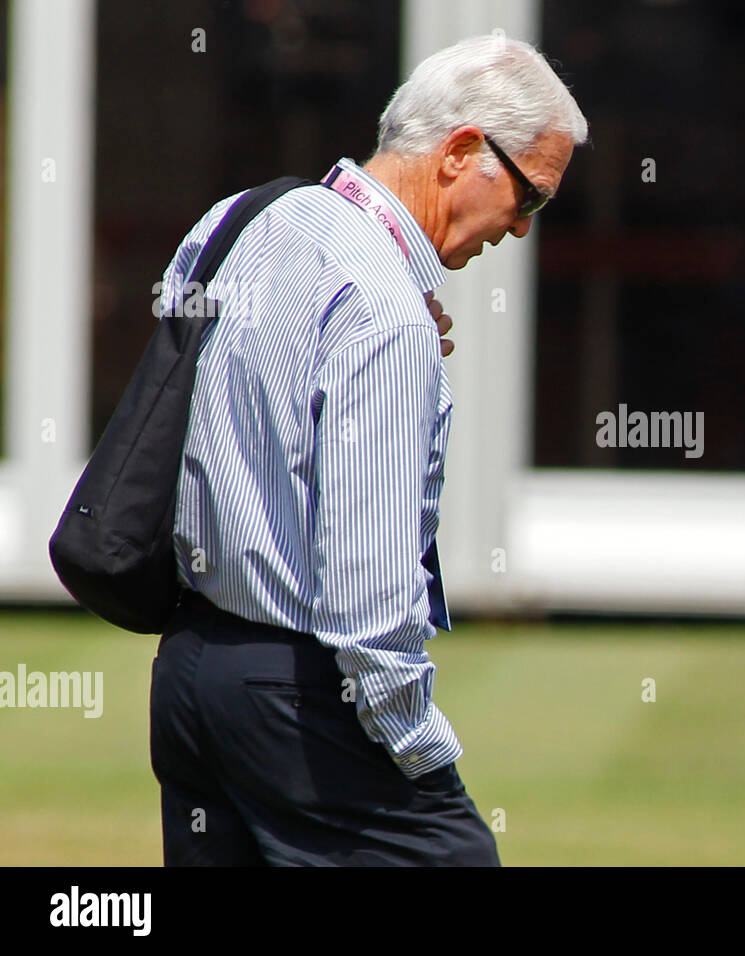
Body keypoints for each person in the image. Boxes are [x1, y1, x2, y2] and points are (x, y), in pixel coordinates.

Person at [149, 34, 588, 865]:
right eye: (529, 198)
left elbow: (181, 398)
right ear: (462, 152)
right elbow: (369, 589)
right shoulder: (386, 310)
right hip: (306, 698)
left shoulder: (237, 219)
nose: (523, 230)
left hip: (189, 673)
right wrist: (417, 742)